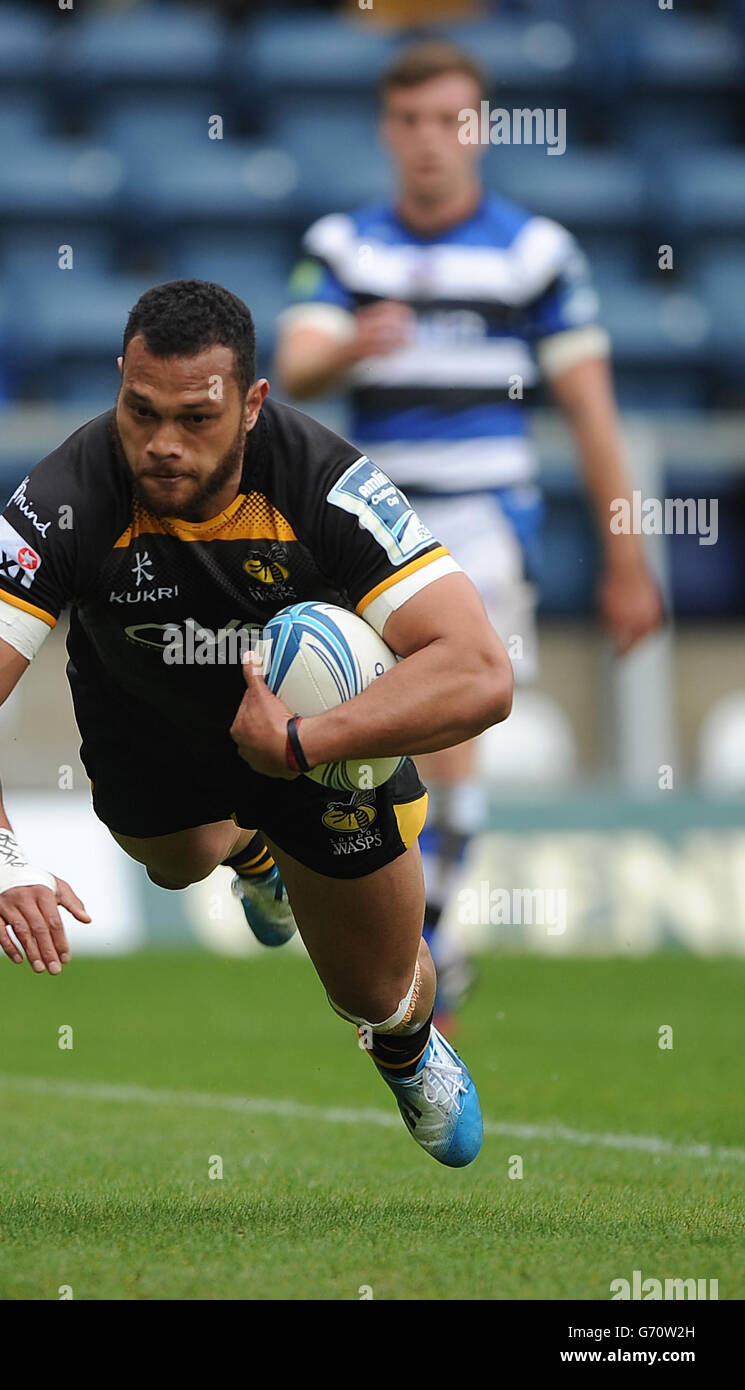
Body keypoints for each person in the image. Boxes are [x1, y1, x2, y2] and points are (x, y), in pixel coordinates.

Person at [0, 279, 513, 1167]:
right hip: (148, 725)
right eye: (139, 410)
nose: (161, 444)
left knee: (377, 991)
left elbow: (480, 671)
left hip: (309, 741)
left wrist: (304, 743)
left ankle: (405, 1047)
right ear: (120, 380)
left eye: (195, 418)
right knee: (175, 862)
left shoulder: (325, 485)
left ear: (253, 403)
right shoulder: (67, 496)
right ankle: (252, 853)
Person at [274, 41, 664, 1030]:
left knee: (446, 737)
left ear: (479, 128)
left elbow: (591, 410)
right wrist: (355, 341)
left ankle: (431, 943)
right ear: (384, 130)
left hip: (487, 519)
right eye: (408, 122)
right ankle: (341, 892)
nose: (428, 143)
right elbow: (294, 358)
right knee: (347, 733)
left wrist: (627, 558)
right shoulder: (347, 245)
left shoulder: (533, 252)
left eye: (448, 121)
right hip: (371, 527)